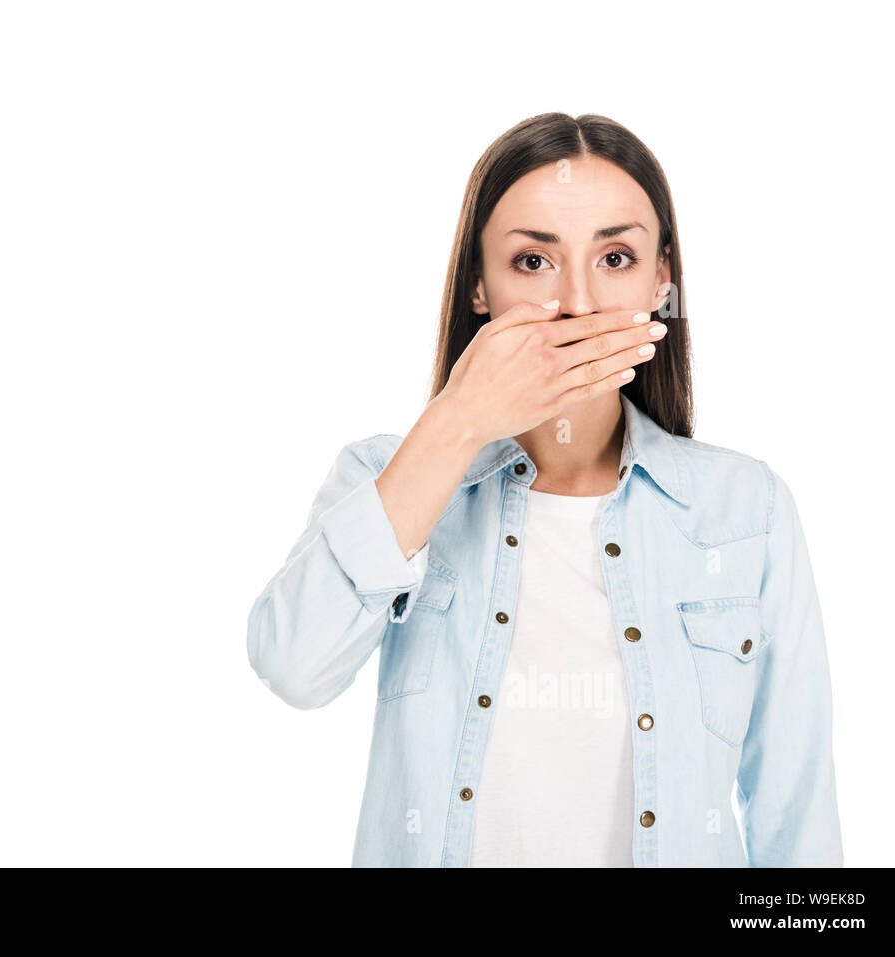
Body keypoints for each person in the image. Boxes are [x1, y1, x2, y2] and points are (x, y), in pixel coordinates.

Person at [245, 112, 843, 868]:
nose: (579, 302)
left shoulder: (746, 508)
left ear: (663, 282)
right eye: (533, 262)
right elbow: (291, 666)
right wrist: (458, 420)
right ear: (478, 287)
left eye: (617, 256)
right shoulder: (386, 476)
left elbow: (799, 818)